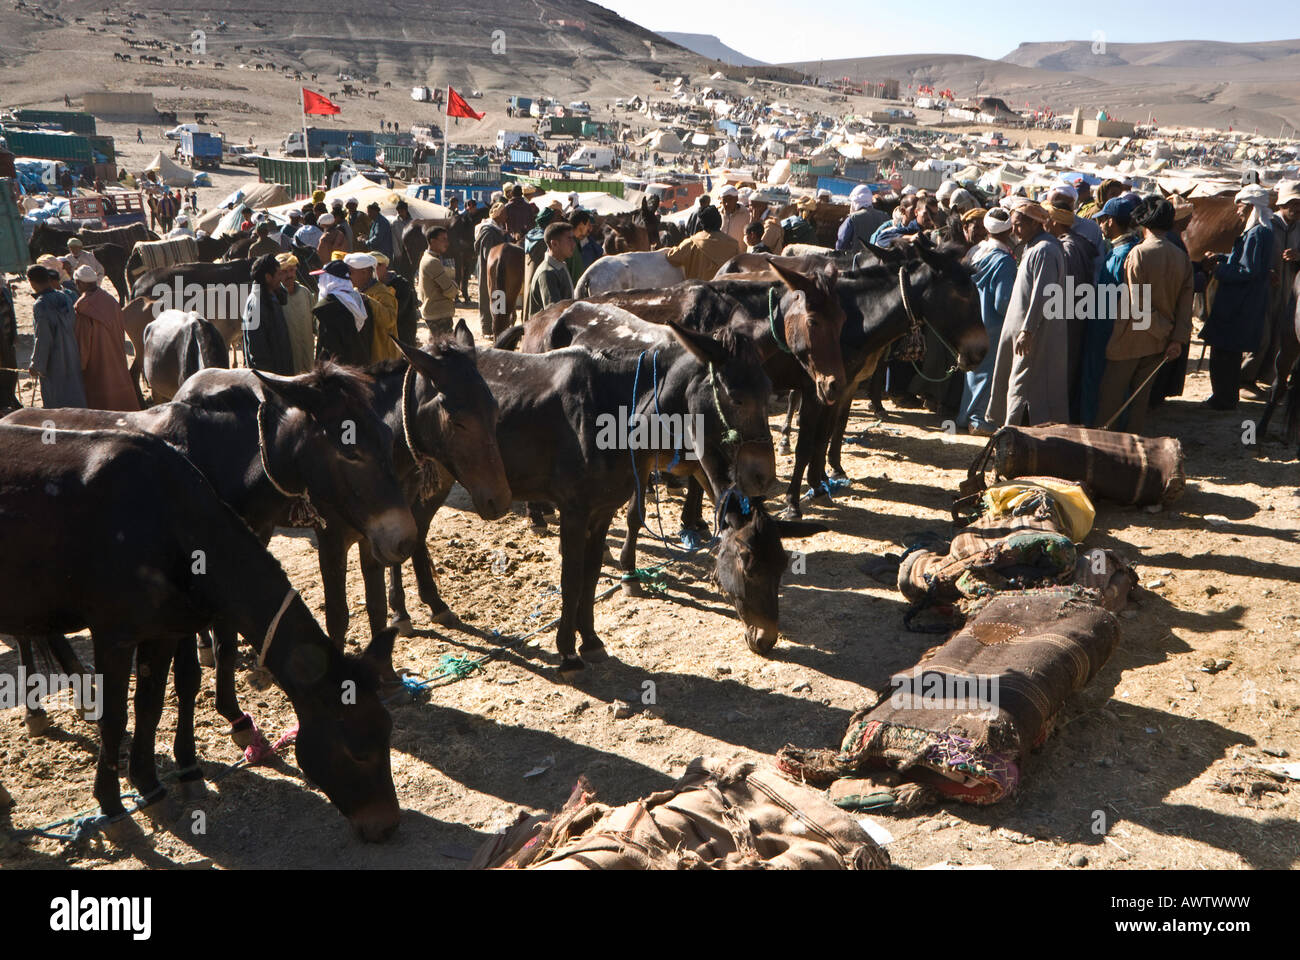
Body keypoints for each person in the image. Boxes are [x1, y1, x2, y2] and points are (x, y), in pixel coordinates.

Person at [1093, 198, 1192, 434]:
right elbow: (1185, 305)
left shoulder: (1139, 253)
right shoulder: (1180, 257)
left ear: (1143, 223)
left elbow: (1138, 306)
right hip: (1159, 344)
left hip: (1130, 341)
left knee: (1110, 401)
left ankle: (1106, 451)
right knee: (1139, 403)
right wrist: (1175, 338)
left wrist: (1163, 330)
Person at [985, 198, 1068, 427]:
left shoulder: (1045, 250)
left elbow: (1042, 294)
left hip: (1033, 334)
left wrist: (1027, 330)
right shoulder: (1033, 246)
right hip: (1023, 332)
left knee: (1023, 385)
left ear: (1034, 224)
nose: (1014, 230)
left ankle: (1013, 436)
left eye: (1019, 224)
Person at [1200, 185, 1275, 410]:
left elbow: (1246, 271)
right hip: (1243, 302)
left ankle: (1223, 398)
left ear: (1252, 206)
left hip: (1237, 303)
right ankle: (1226, 397)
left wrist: (1218, 270)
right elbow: (1244, 262)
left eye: (1241, 206)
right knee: (1229, 353)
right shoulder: (1260, 232)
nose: (1238, 211)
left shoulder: (1256, 234)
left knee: (1224, 353)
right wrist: (1222, 258)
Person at [1079, 195, 1141, 425]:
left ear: (1111, 221)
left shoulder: (1121, 255)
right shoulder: (1127, 249)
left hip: (1107, 330)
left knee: (1101, 383)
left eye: (1102, 220)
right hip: (1111, 328)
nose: (1100, 225)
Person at [958, 208, 1016, 435]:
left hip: (970, 321)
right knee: (988, 374)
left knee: (972, 372)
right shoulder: (1003, 260)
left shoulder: (975, 251)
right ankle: (979, 421)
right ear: (1010, 229)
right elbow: (1003, 302)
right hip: (991, 324)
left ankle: (965, 416)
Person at [1042, 196, 1097, 423]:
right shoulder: (1076, 242)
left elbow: (1067, 290)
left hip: (1067, 319)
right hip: (1072, 316)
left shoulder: (1069, 248)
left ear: (1054, 222)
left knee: (1063, 370)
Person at [70, 265, 138, 411]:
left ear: (80, 283)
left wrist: (80, 366)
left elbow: (83, 345)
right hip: (117, 358)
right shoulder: (111, 301)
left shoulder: (83, 308)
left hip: (97, 366)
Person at [28, 264, 85, 408]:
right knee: (75, 391)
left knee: (57, 400)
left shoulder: (40, 305)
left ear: (31, 282)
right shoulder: (64, 297)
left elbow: (43, 338)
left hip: (54, 360)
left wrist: (36, 365)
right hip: (72, 352)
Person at [313, 260, 374, 366]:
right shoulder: (360, 299)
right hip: (360, 365)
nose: (319, 282)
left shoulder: (327, 306)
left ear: (329, 279)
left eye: (322, 278)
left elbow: (327, 345)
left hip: (337, 371)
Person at [241, 254, 294, 375]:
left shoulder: (271, 295)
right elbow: (257, 351)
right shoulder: (256, 304)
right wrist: (268, 381)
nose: (282, 278)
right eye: (279, 274)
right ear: (268, 277)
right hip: (270, 379)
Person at [664, 206, 741, 281]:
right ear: (720, 221)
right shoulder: (733, 244)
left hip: (699, 291)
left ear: (702, 224)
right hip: (724, 291)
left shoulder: (691, 242)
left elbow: (672, 257)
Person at [347, 252, 399, 362]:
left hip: (384, 358)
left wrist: (367, 301)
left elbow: (389, 320)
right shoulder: (356, 292)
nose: (348, 276)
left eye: (351, 272)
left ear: (364, 272)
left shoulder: (382, 293)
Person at [276, 253, 316, 374]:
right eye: (284, 272)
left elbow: (315, 322)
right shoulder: (274, 297)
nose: (289, 275)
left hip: (307, 360)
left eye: (292, 270)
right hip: (286, 364)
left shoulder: (305, 293)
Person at [527, 221, 577, 316]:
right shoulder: (547, 273)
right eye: (569, 239)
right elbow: (554, 315)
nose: (574, 244)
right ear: (554, 244)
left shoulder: (560, 266)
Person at [475, 201, 508, 336]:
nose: (506, 216)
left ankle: (498, 325)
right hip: (487, 271)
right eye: (504, 213)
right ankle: (487, 327)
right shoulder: (488, 231)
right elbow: (488, 254)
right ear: (498, 215)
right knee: (487, 296)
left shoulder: (498, 229)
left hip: (498, 270)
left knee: (498, 296)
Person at [418, 226, 459, 337]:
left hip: (434, 313)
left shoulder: (428, 258)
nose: (447, 243)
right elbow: (450, 291)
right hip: (438, 314)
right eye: (443, 239)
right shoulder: (432, 262)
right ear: (432, 241)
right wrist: (455, 288)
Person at [375, 252, 419, 347]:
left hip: (403, 338)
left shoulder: (401, 285)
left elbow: (397, 312)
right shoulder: (374, 286)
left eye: (374, 267)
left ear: (383, 266)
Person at [836, 184, 888, 253]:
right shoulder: (885, 216)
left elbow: (841, 245)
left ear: (855, 202)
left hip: (856, 261)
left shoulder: (852, 218)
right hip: (879, 261)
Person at [565, 209, 602, 284]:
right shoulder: (568, 244)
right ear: (581, 225)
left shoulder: (577, 242)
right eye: (588, 224)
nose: (590, 229)